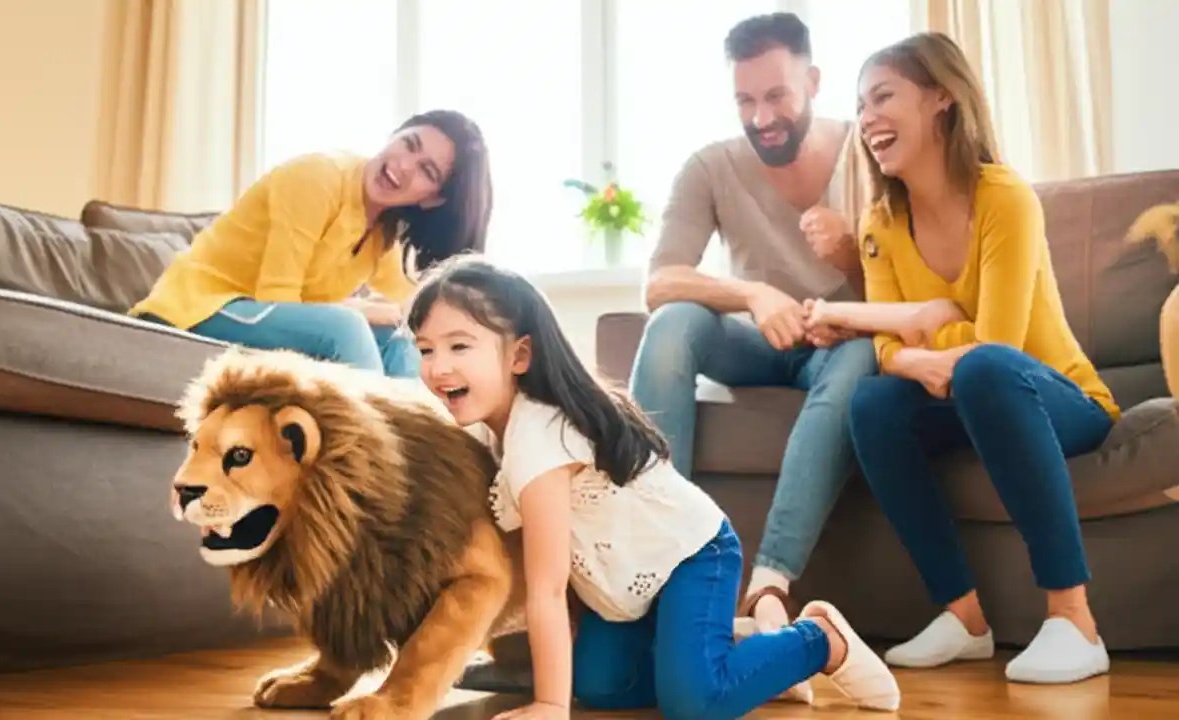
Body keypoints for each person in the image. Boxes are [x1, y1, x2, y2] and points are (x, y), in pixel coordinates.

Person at [408, 256, 900, 720]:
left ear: (520, 355)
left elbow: (549, 587)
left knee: (696, 706)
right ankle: (742, 655)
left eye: (459, 346)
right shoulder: (487, 432)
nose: (438, 367)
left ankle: (817, 639)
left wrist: (551, 707)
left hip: (690, 557)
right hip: (624, 589)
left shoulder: (537, 437)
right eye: (425, 349)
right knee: (601, 686)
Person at [830, 32, 1118, 685]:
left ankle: (1075, 620)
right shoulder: (878, 224)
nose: (866, 117)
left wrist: (928, 329)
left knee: (986, 369)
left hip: (1063, 402)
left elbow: (1001, 346)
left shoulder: (1003, 196)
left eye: (883, 97)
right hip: (966, 395)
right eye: (860, 105)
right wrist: (914, 351)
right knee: (872, 403)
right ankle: (963, 619)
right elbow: (883, 349)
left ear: (940, 98)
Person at [625, 13, 874, 701]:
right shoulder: (710, 165)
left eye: (776, 96)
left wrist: (848, 262)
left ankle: (769, 587)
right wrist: (754, 292)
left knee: (861, 366)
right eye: (745, 100)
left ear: (813, 82)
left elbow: (909, 291)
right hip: (754, 340)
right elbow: (660, 281)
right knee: (675, 320)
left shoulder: (867, 154)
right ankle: (661, 548)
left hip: (840, 341)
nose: (761, 117)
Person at [130, 109, 492, 378]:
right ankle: (377, 460)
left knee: (404, 340)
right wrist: (358, 311)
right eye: (408, 144)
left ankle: (415, 454)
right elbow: (277, 296)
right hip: (199, 305)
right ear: (393, 135)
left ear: (432, 199)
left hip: (257, 314)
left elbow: (409, 305)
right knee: (345, 327)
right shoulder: (318, 178)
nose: (404, 165)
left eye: (427, 171)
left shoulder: (382, 229)